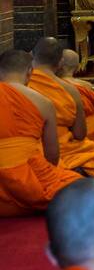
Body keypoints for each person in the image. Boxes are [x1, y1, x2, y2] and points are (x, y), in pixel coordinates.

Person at [0, 49, 81, 216]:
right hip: (28, 179)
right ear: (30, 72)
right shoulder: (43, 102)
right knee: (78, 186)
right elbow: (52, 155)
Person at [28, 38, 94, 175]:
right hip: (61, 147)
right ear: (60, 63)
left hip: (31, 147)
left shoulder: (21, 86)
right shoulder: (71, 90)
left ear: (31, 55)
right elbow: (80, 134)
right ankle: (72, 167)